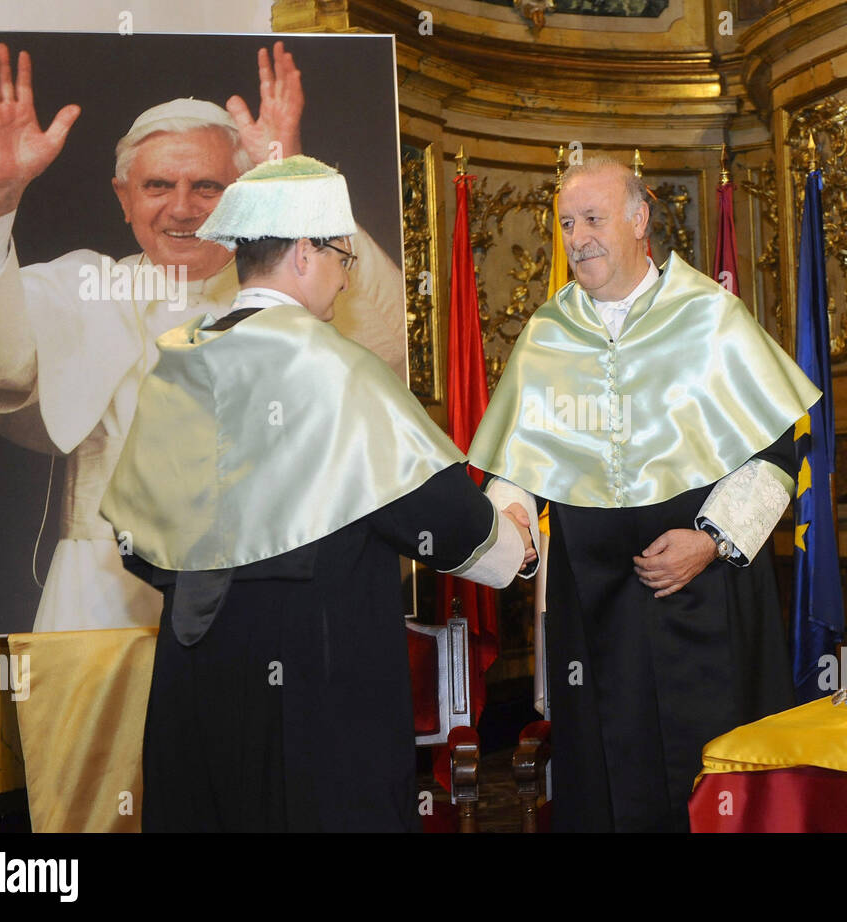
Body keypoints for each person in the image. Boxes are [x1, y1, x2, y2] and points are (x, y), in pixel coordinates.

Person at [100, 155, 536, 832]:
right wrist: (515, 532)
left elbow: (138, 548)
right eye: (341, 255)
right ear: (303, 253)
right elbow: (445, 522)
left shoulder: (180, 358)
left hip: (195, 681)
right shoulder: (332, 369)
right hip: (317, 686)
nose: (344, 274)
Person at [0, 41, 404, 632]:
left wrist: (294, 184)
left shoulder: (297, 292)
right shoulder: (83, 285)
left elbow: (391, 348)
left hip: (259, 582)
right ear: (124, 199)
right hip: (99, 595)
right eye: (157, 186)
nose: (182, 208)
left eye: (208, 187)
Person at [467, 156, 823, 832]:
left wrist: (711, 540)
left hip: (702, 598)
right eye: (567, 223)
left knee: (709, 777)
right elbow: (515, 464)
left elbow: (775, 454)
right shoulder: (547, 335)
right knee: (605, 777)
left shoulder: (711, 318)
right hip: (594, 602)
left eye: (594, 219)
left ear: (639, 220)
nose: (578, 238)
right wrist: (505, 530)